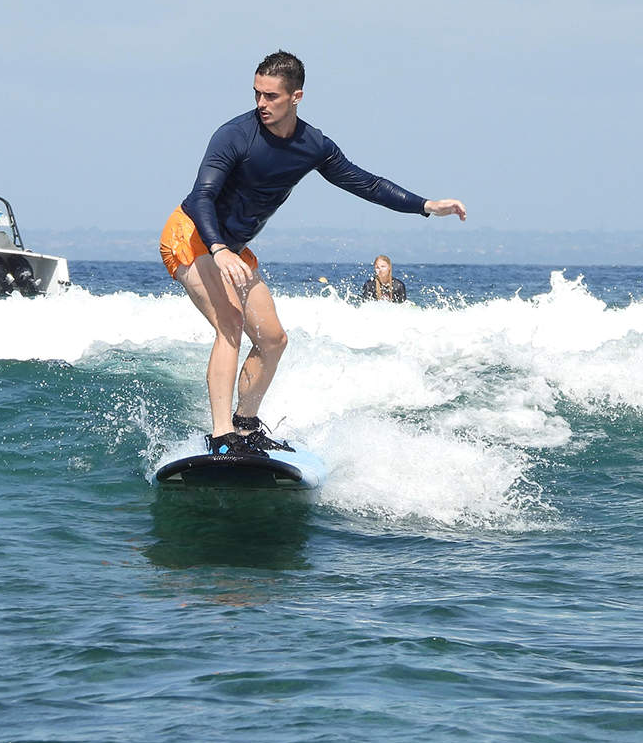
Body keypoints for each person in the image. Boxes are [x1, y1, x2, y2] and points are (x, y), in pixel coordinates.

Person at [158, 50, 466, 458]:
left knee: (273, 339)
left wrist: (426, 205)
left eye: (271, 97)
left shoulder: (312, 145)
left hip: (233, 250)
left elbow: (368, 184)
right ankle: (221, 435)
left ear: (296, 96)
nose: (261, 104)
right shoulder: (233, 135)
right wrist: (217, 250)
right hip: (192, 235)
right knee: (230, 322)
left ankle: (246, 427)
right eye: (257, 94)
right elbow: (202, 197)